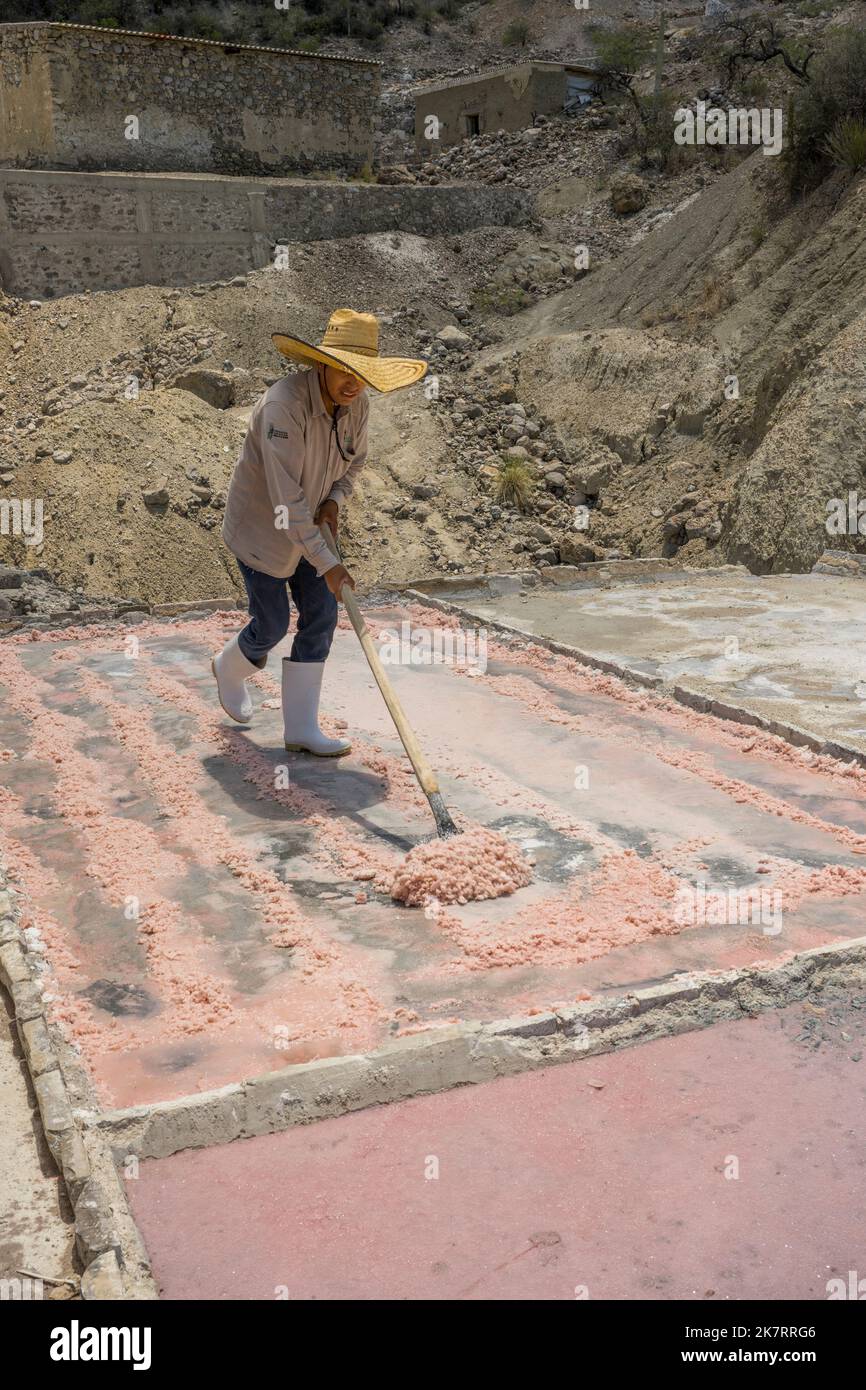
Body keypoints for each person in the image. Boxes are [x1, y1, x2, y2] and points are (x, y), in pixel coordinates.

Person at [212, 308, 426, 755]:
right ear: (321, 364)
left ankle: (301, 730)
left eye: (362, 374)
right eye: (345, 371)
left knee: (322, 618)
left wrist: (334, 500)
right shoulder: (282, 407)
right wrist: (329, 564)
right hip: (265, 529)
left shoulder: (355, 405)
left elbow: (355, 464)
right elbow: (286, 505)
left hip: (314, 526)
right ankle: (229, 667)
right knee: (270, 624)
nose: (354, 383)